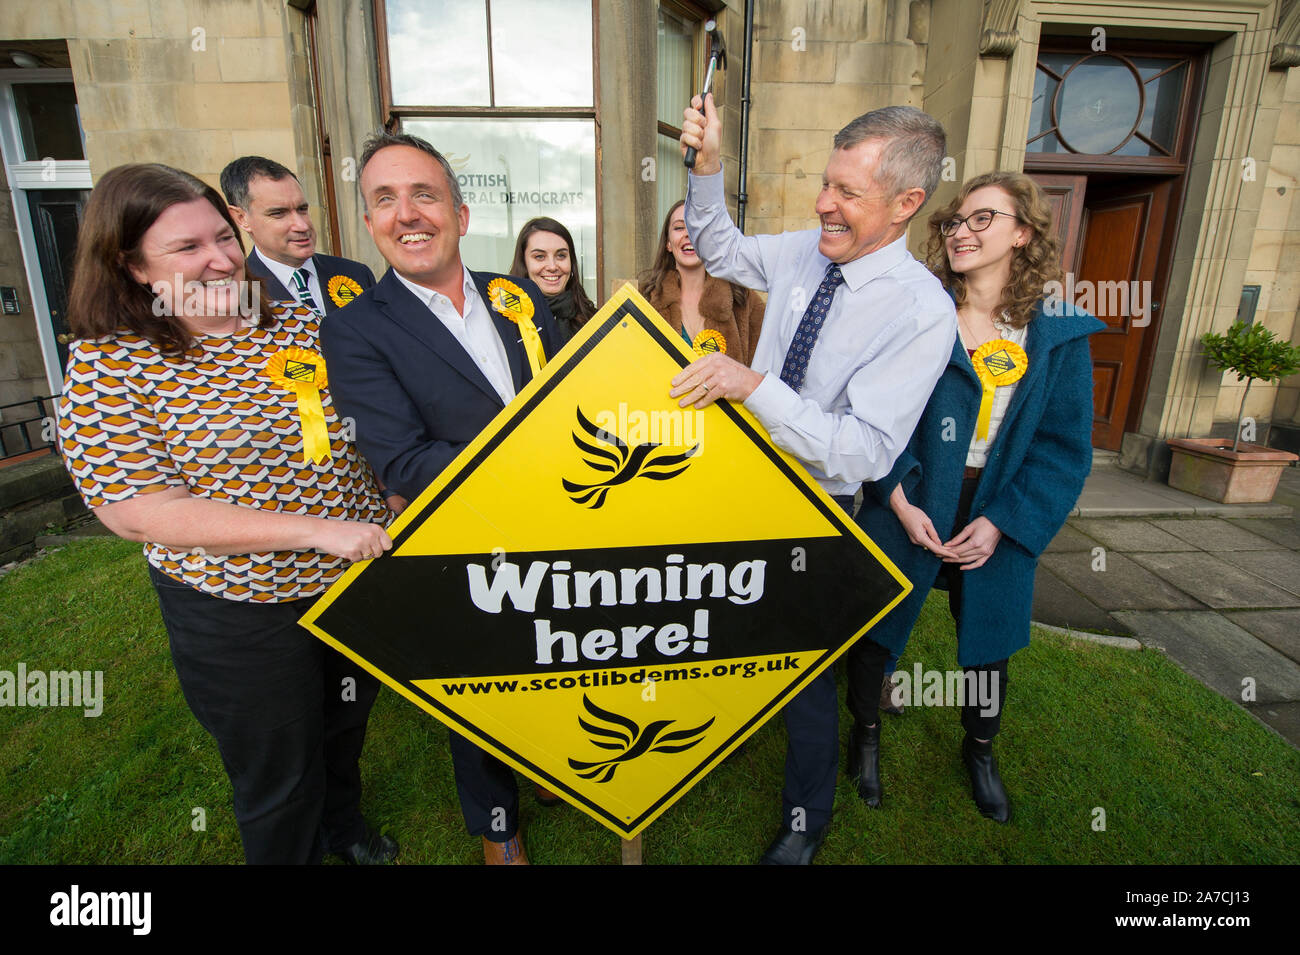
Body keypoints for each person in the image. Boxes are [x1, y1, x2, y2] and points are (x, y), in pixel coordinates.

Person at [56, 163, 398, 865]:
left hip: (349, 578)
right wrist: (314, 531)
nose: (221, 258)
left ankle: (345, 828)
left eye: (222, 236)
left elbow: (363, 419)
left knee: (343, 723)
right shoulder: (109, 366)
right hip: (239, 607)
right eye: (187, 248)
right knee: (277, 768)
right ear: (131, 264)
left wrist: (389, 488)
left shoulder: (296, 322)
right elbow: (139, 511)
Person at [672, 97, 957, 864]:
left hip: (817, 514)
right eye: (826, 184)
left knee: (802, 673)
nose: (824, 204)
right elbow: (720, 249)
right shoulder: (810, 248)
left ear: (906, 205)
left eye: (847, 194)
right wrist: (706, 167)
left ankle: (806, 819)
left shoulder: (923, 313)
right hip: (738, 486)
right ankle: (702, 743)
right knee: (717, 629)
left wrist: (750, 385)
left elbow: (861, 451)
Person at [320, 131, 564, 865]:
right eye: (385, 199)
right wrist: (537, 472)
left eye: (423, 194)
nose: (407, 213)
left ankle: (551, 760)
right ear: (368, 224)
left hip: (558, 526)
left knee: (554, 657)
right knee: (482, 685)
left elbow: (557, 401)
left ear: (459, 213)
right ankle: (500, 830)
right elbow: (401, 458)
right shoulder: (356, 327)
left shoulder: (511, 295)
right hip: (461, 540)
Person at [851, 171, 1104, 823]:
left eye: (982, 219)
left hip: (998, 503)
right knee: (875, 627)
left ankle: (981, 748)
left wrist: (1002, 521)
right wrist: (898, 495)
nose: (961, 231)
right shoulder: (917, 311)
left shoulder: (1059, 333)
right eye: (955, 221)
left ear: (1023, 233)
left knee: (989, 640)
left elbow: (1062, 446)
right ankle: (866, 737)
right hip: (911, 494)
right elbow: (874, 412)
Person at [221, 155, 376, 315]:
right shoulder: (237, 293)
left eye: (302, 209)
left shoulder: (356, 274)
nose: (302, 226)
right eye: (279, 213)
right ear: (241, 218)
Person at [640, 199, 766, 366]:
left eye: (696, 227)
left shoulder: (743, 299)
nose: (688, 234)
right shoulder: (645, 299)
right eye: (679, 228)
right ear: (668, 243)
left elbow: (764, 367)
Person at [508, 216, 597, 341]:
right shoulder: (505, 324)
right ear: (524, 263)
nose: (552, 266)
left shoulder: (594, 320)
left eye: (561, 255)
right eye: (539, 256)